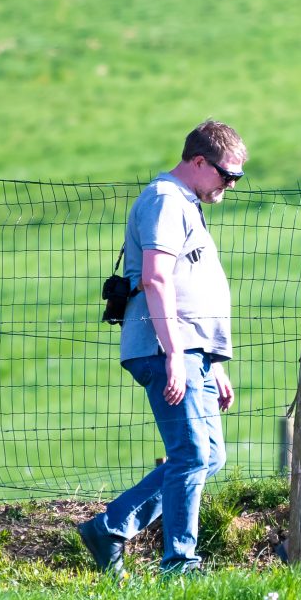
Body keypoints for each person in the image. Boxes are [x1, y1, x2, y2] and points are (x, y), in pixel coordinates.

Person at [78, 121, 245, 573]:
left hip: (193, 352)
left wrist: (212, 363)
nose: (230, 184)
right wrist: (176, 354)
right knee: (192, 454)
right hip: (166, 347)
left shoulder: (184, 203)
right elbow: (154, 278)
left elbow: (188, 287)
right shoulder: (165, 201)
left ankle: (111, 526)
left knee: (210, 457)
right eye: (227, 175)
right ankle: (180, 561)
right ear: (197, 162)